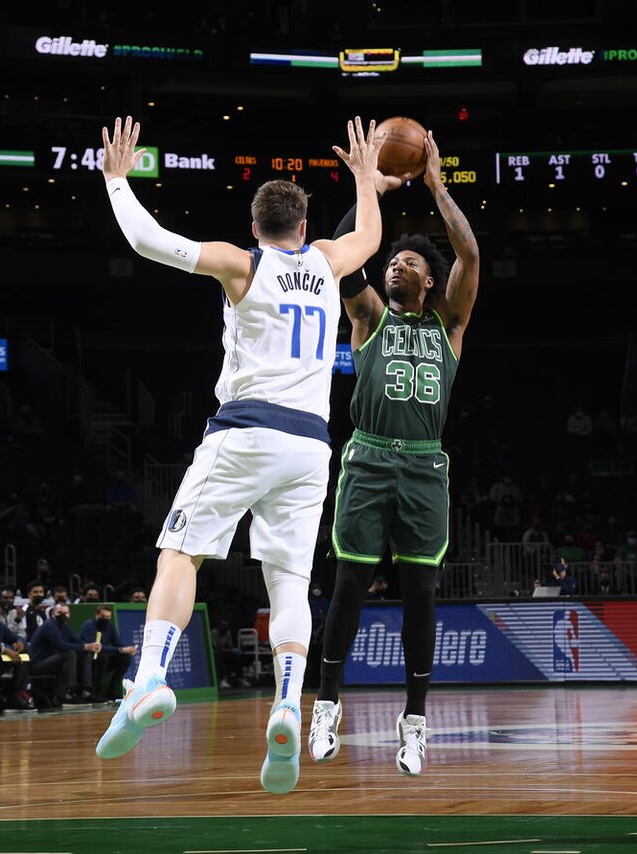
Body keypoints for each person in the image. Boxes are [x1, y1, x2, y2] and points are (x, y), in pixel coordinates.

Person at [91, 113, 384, 799]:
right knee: (289, 582)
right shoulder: (328, 261)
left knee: (180, 554)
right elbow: (368, 237)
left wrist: (116, 180)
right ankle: (287, 703)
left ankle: (150, 679)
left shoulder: (244, 264)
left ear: (255, 226)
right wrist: (366, 180)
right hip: (310, 446)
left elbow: (149, 240)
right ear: (304, 227)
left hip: (245, 431)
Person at [311, 128, 480, 778]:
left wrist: (435, 183)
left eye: (408, 263)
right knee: (350, 582)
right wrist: (368, 186)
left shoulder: (450, 324)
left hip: (425, 464)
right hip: (370, 456)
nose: (395, 266)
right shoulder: (370, 318)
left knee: (420, 593)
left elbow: (470, 252)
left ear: (430, 279)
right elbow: (343, 259)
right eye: (393, 262)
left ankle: (415, 721)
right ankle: (327, 703)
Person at [29, 601, 101, 706]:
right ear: (53, 613)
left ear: (69, 615)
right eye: (59, 613)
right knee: (70, 654)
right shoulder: (49, 625)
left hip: (53, 660)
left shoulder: (65, 627)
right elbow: (60, 645)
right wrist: (85, 646)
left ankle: (86, 691)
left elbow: (76, 641)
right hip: (38, 664)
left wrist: (91, 645)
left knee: (85, 653)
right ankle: (70, 692)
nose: (62, 616)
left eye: (65, 613)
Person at [81, 605, 135, 700]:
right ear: (96, 615)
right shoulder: (89, 625)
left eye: (108, 617)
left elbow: (117, 643)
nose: (105, 619)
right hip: (89, 659)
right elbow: (95, 647)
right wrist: (120, 649)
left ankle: (112, 691)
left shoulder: (109, 626)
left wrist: (127, 649)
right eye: (103, 616)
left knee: (125, 658)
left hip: (104, 658)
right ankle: (95, 692)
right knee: (104, 657)